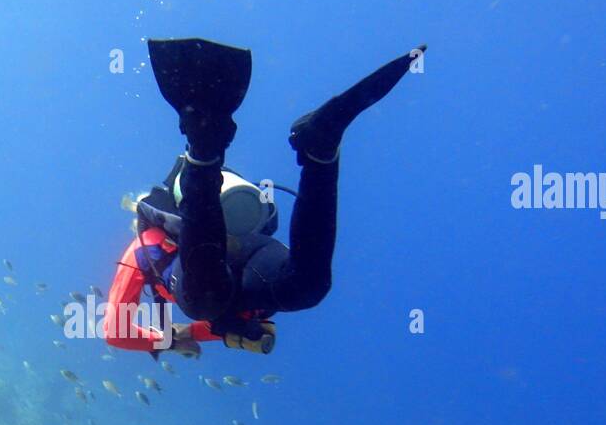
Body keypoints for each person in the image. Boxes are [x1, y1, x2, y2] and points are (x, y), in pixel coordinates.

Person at [102, 37, 424, 357]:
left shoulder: (142, 251)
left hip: (212, 282)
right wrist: (199, 334)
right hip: (249, 252)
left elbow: (115, 332)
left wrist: (171, 340)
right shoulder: (200, 233)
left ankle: (203, 148)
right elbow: (232, 319)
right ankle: (318, 151)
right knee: (306, 286)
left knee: (207, 299)